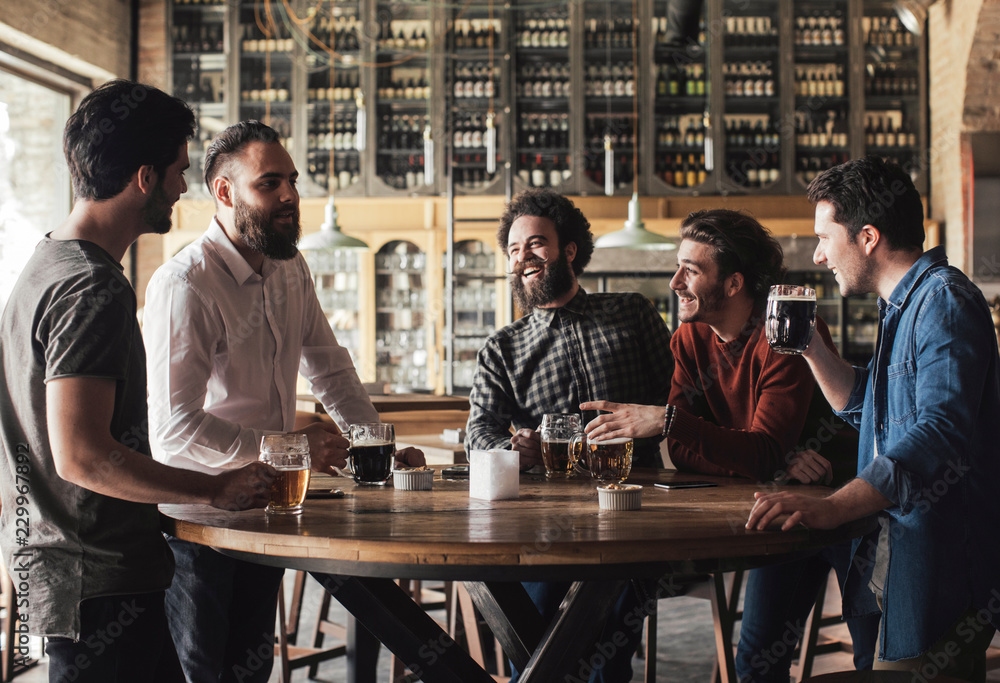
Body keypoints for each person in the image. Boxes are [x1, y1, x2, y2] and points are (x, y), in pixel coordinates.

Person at [0, 80, 274, 683]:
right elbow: (83, 457)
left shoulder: (44, 263)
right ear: (145, 177)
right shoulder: (93, 288)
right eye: (178, 171)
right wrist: (214, 488)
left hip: (65, 568)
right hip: (99, 579)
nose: (183, 187)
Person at [143, 120, 424, 683]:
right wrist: (290, 448)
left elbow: (330, 367)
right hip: (201, 521)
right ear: (224, 193)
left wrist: (377, 446)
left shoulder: (291, 267)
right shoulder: (186, 284)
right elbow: (173, 429)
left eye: (292, 181)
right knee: (203, 672)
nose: (291, 196)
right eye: (270, 183)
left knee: (251, 670)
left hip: (268, 507)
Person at [583, 208, 879, 683]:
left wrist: (673, 422)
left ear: (735, 283)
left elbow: (746, 449)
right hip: (782, 501)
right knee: (757, 664)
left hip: (846, 500)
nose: (676, 280)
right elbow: (684, 453)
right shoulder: (690, 340)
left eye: (692, 270)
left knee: (873, 657)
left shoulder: (786, 332)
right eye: (679, 266)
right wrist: (767, 458)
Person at [746, 156, 1000, 683]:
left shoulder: (944, 302)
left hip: (937, 572)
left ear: (867, 236)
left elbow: (939, 434)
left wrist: (835, 507)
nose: (817, 255)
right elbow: (870, 407)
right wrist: (810, 345)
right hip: (891, 560)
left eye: (824, 237)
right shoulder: (901, 304)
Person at [466, 188, 674, 682]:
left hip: (634, 512)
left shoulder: (632, 312)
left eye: (535, 244)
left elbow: (682, 399)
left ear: (570, 250)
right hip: (545, 523)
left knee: (606, 653)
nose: (522, 259)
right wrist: (519, 451)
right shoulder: (503, 348)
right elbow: (478, 434)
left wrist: (652, 417)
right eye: (514, 251)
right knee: (535, 648)